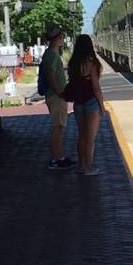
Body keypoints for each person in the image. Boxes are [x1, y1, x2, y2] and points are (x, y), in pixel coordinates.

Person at [66, 34, 104, 176]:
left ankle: (81, 166)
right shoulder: (91, 62)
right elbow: (95, 87)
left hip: (78, 103)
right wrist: (102, 105)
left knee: (81, 135)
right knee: (90, 138)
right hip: (91, 102)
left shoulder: (73, 63)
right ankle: (89, 167)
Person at [41, 25, 72, 170]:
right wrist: (60, 92)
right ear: (58, 38)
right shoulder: (53, 55)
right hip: (56, 96)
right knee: (58, 128)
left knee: (58, 127)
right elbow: (52, 76)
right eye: (61, 37)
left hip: (53, 96)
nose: (62, 39)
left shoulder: (48, 54)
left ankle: (59, 156)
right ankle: (56, 159)